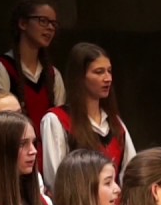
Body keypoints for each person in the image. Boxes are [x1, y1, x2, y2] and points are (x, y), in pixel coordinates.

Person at [41, 42, 137, 190]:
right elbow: (56, 182)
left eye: (109, 71)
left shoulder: (116, 124)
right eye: (99, 72)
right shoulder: (57, 121)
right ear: (80, 77)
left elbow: (131, 174)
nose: (108, 78)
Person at [0, 0, 66, 156]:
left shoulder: (53, 75)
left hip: (46, 157)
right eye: (43, 21)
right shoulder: (1, 68)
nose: (50, 28)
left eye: (53, 24)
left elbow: (60, 126)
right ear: (23, 24)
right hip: (12, 155)